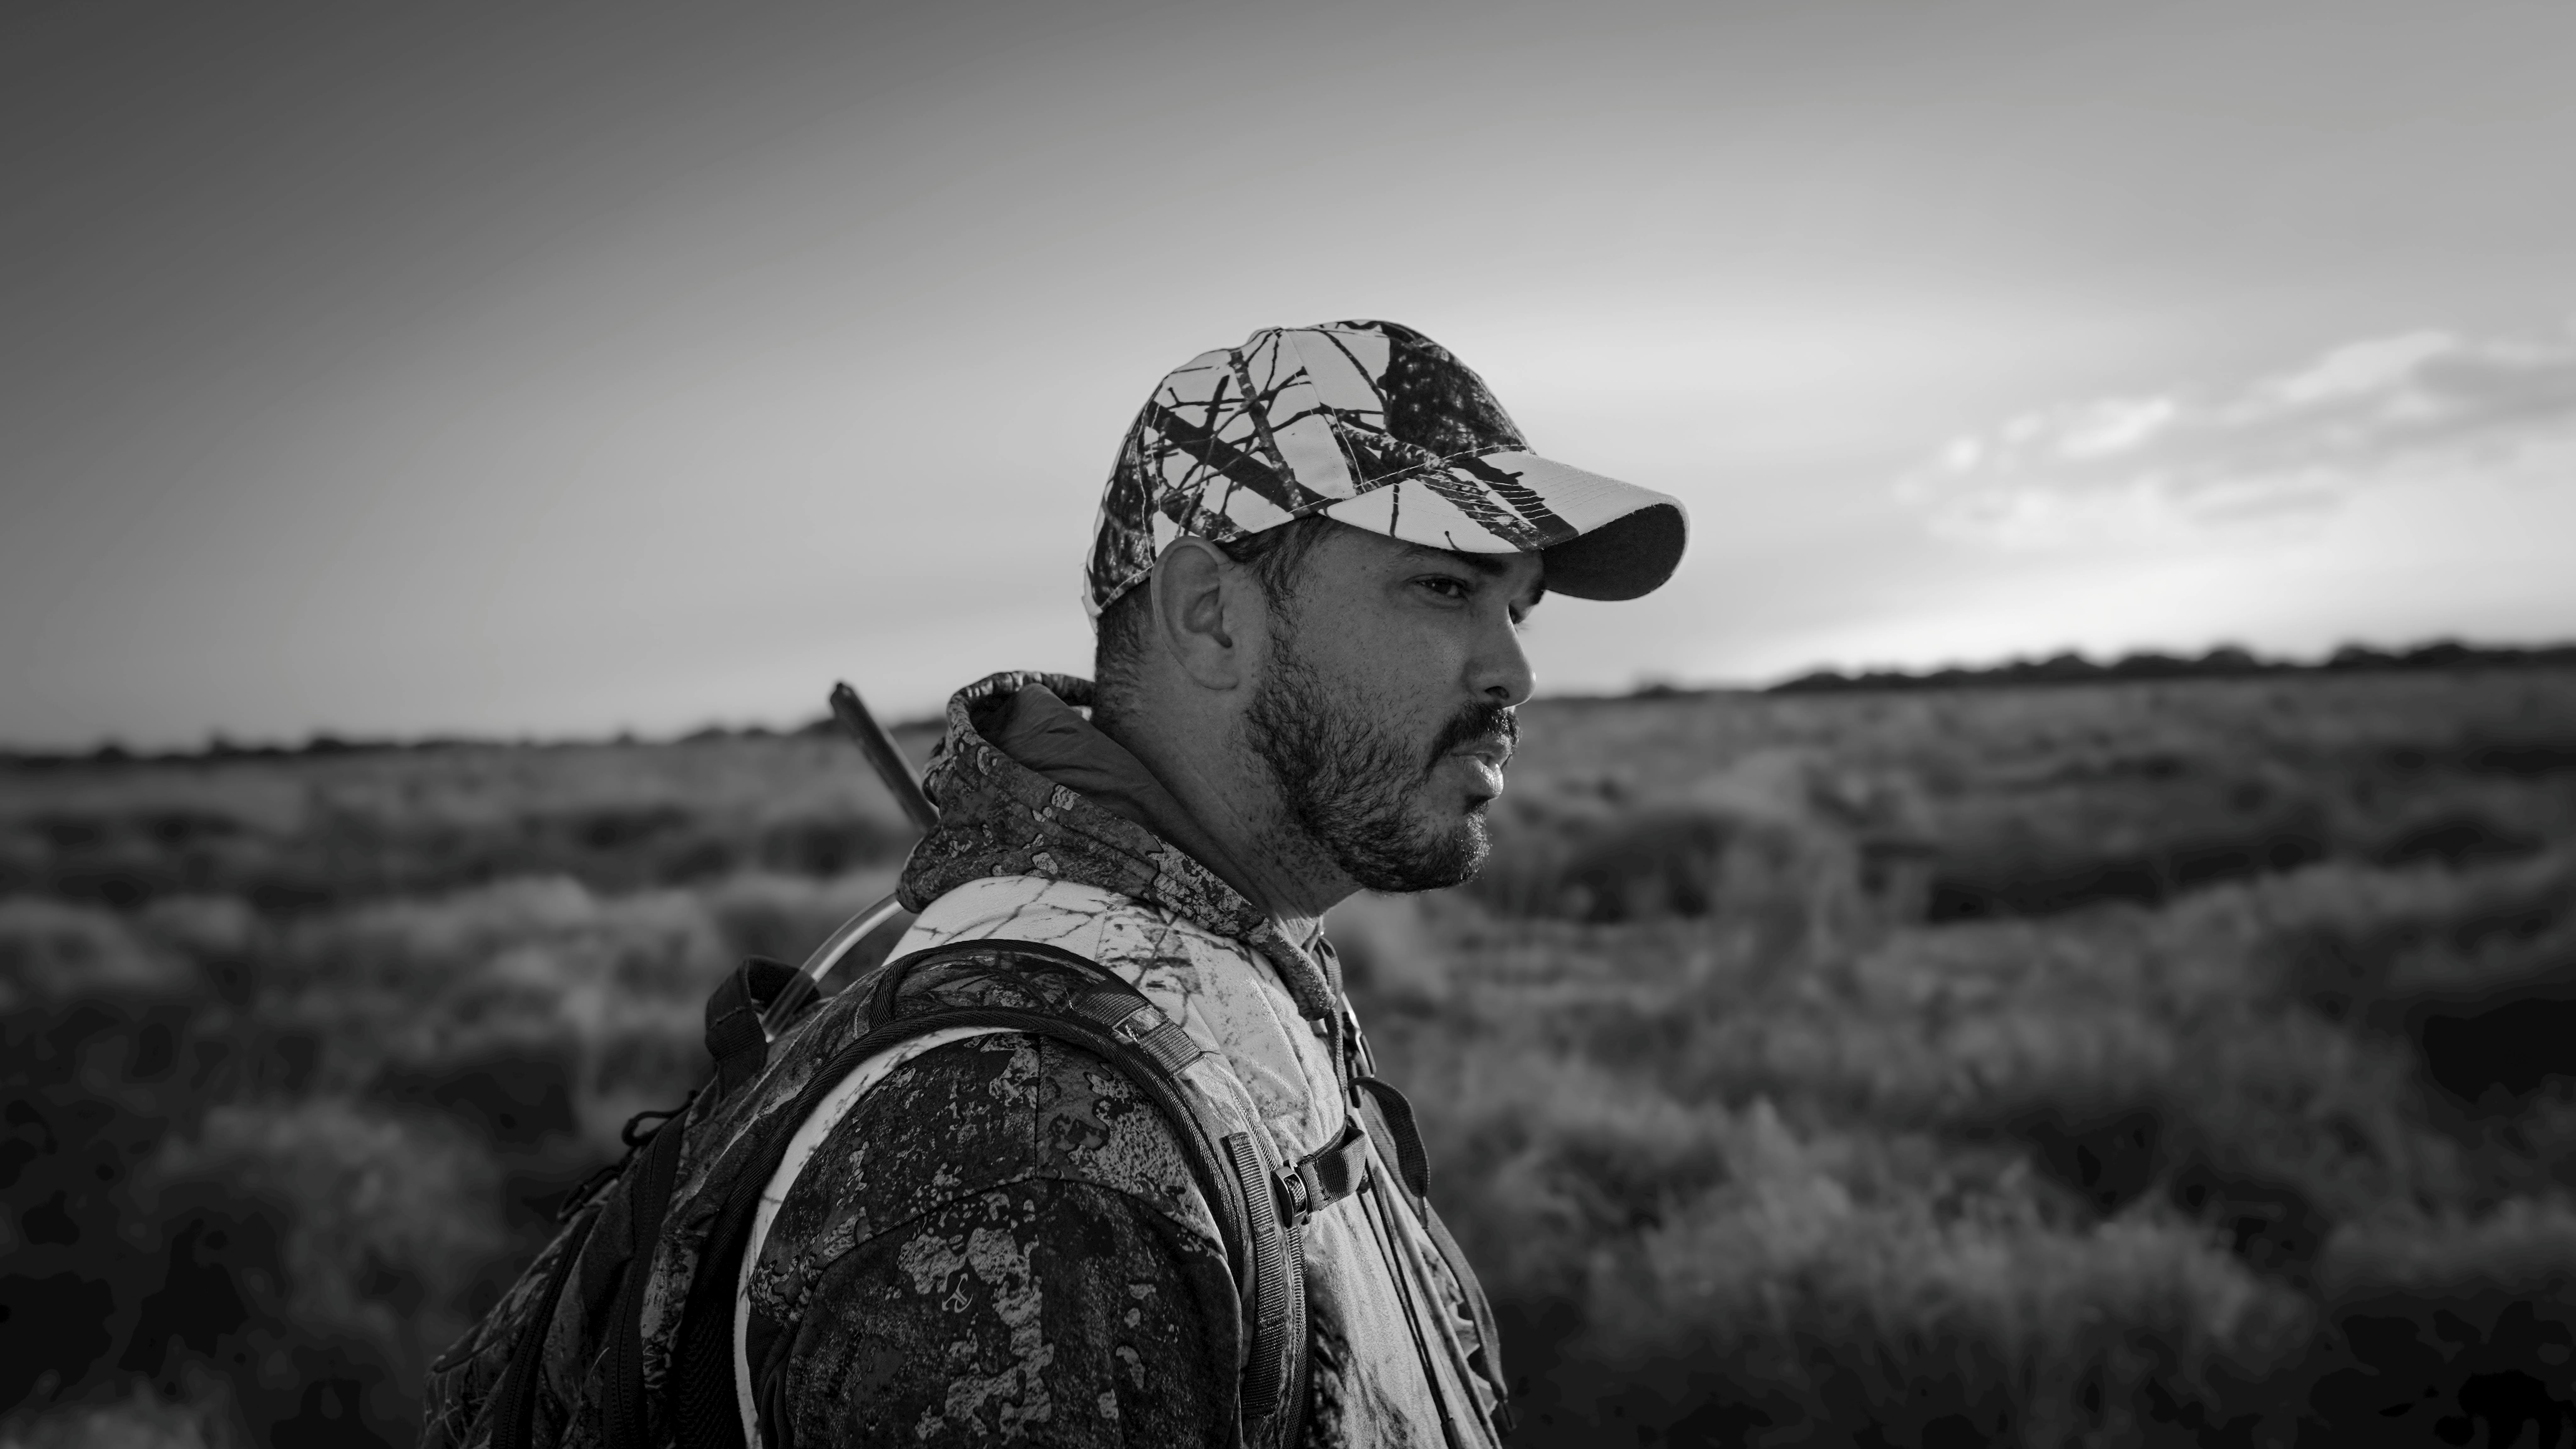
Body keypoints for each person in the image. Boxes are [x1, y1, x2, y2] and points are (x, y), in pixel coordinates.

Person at [426, 320, 1685, 1449]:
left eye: (1519, 607)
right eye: (1445, 586)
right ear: (1209, 616)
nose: (1513, 671)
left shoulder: (1217, 977)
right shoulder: (1030, 1152)